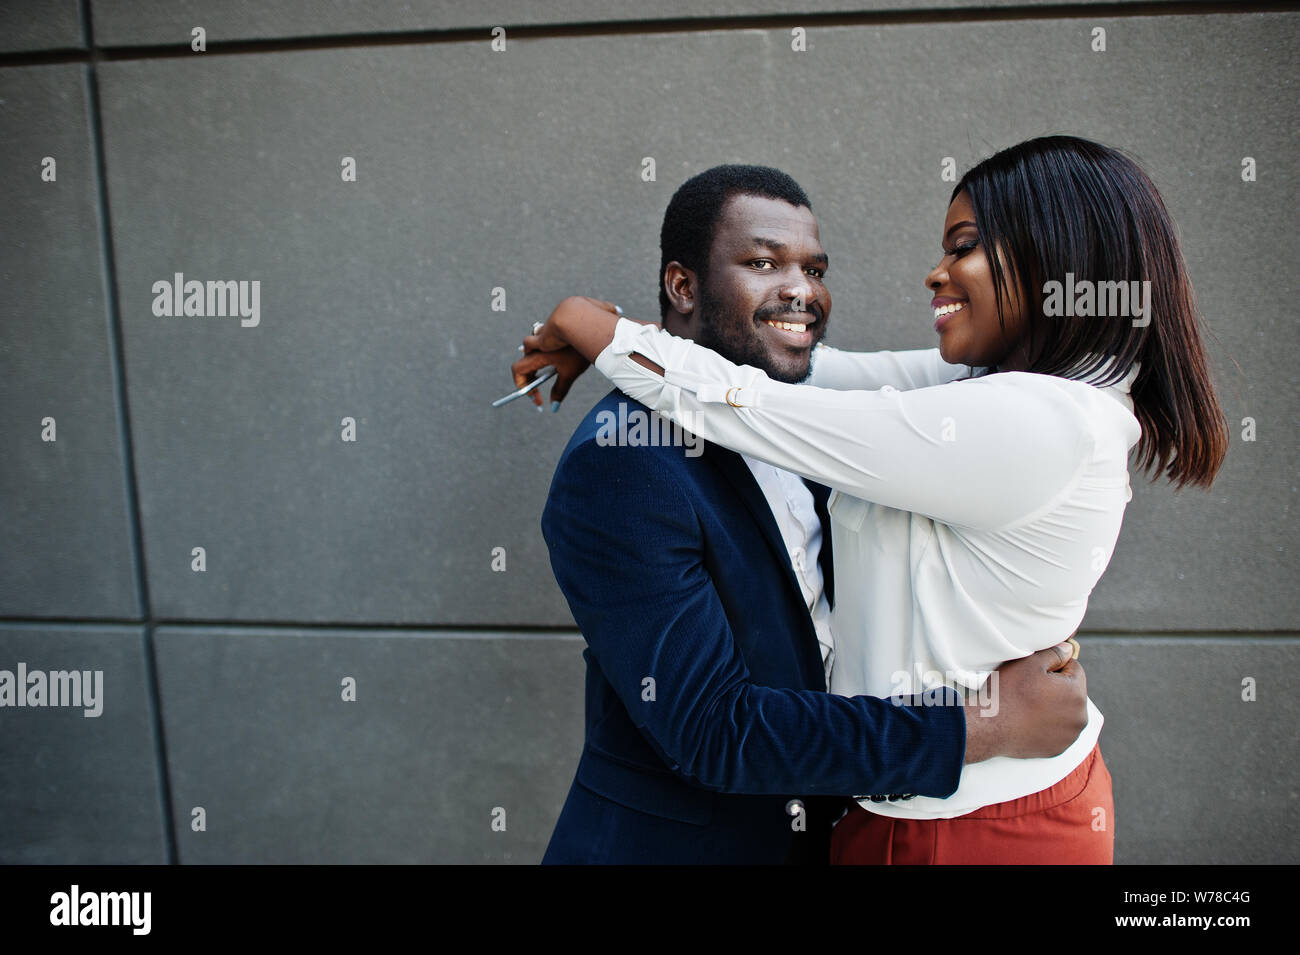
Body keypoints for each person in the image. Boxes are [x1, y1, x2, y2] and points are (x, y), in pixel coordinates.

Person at [516, 139, 1228, 864]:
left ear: (1058, 257)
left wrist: (607, 334)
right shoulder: (627, 462)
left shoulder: (1035, 420)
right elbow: (713, 728)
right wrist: (632, 342)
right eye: (765, 263)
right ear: (684, 283)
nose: (803, 289)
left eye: (814, 269)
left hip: (978, 824)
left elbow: (763, 399)